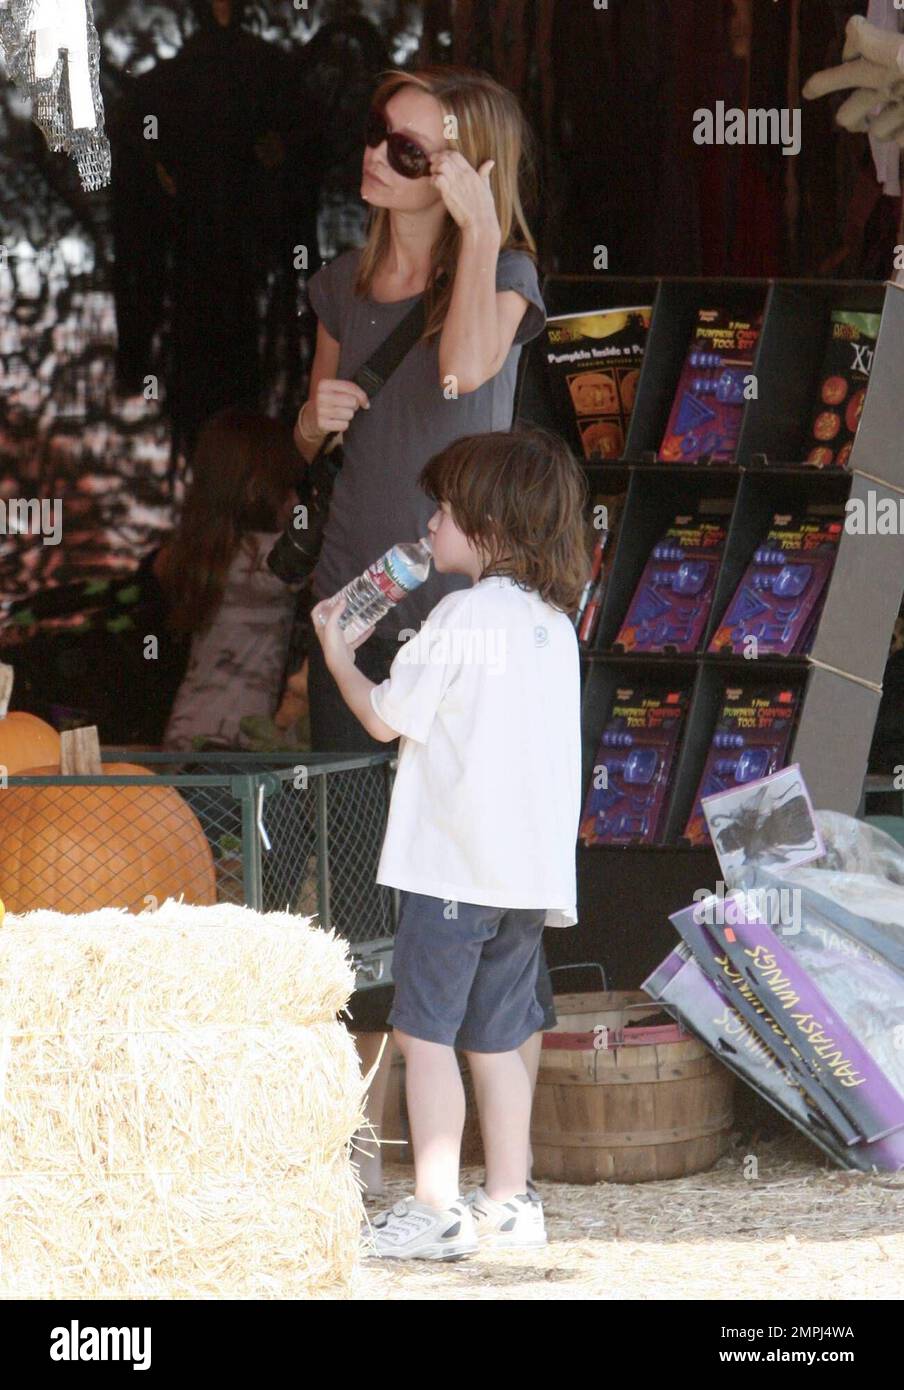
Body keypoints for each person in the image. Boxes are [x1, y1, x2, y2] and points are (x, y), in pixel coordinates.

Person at [293, 64, 557, 1190]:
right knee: (353, 883)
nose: (377, 157)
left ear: (462, 169)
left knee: (471, 873)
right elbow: (308, 445)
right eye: (377, 134)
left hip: (458, 626)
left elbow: (460, 371)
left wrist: (480, 228)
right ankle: (365, 1150)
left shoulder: (506, 274)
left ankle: (490, 1172)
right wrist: (311, 421)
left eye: (409, 150)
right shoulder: (341, 287)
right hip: (356, 605)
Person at [311, 427, 586, 1258]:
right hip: (524, 878)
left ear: (490, 526)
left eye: (445, 510)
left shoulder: (463, 615)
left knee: (425, 1036)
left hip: (452, 869)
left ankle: (434, 1208)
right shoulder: (554, 625)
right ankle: (510, 1198)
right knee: (497, 1040)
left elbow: (384, 717)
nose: (429, 524)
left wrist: (337, 652)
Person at [157, 408, 301, 750]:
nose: (296, 501)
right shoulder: (269, 561)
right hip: (231, 744)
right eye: (287, 488)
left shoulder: (204, 550)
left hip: (189, 731)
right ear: (255, 490)